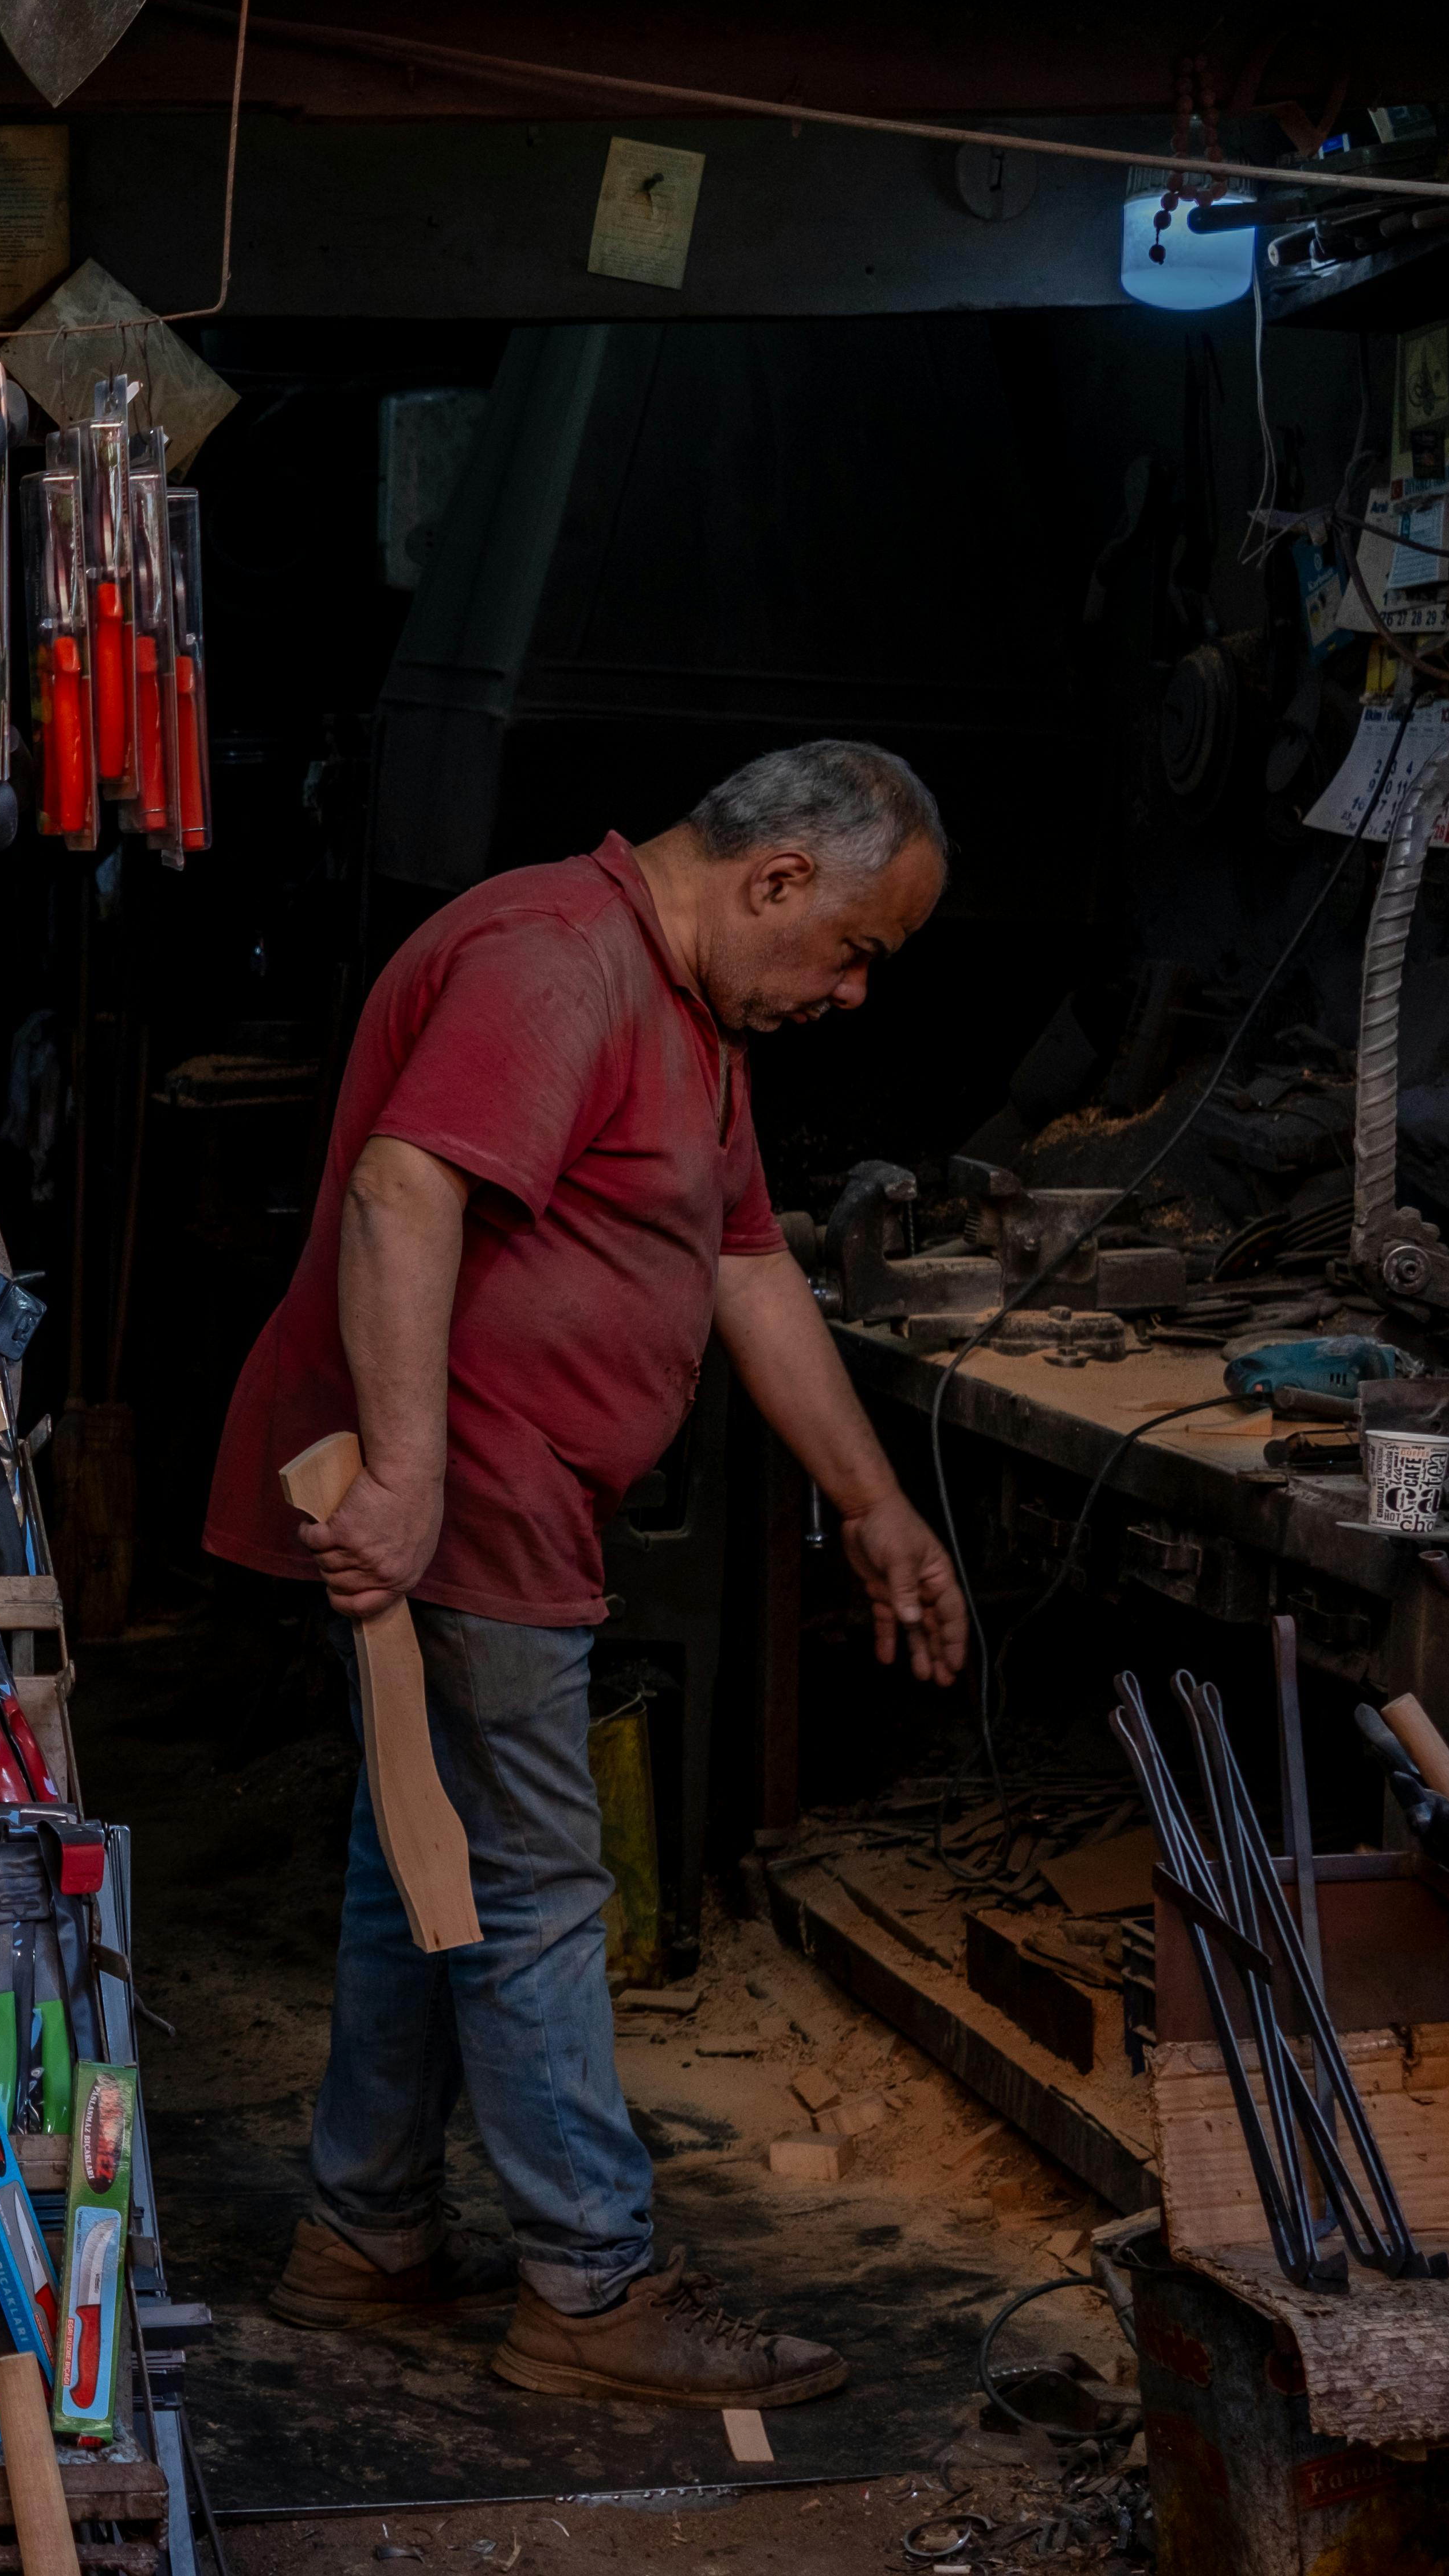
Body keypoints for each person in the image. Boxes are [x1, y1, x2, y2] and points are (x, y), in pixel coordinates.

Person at [202, 740, 968, 2411]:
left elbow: (746, 1261)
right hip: (463, 1490)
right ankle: (588, 2283)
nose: (849, 993)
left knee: (425, 1866)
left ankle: (364, 2229)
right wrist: (405, 1472)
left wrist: (876, 1506)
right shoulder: (560, 960)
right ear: (773, 881)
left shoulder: (687, 1016)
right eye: (854, 948)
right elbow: (406, 1189)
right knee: (539, 1883)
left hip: (503, 1495)